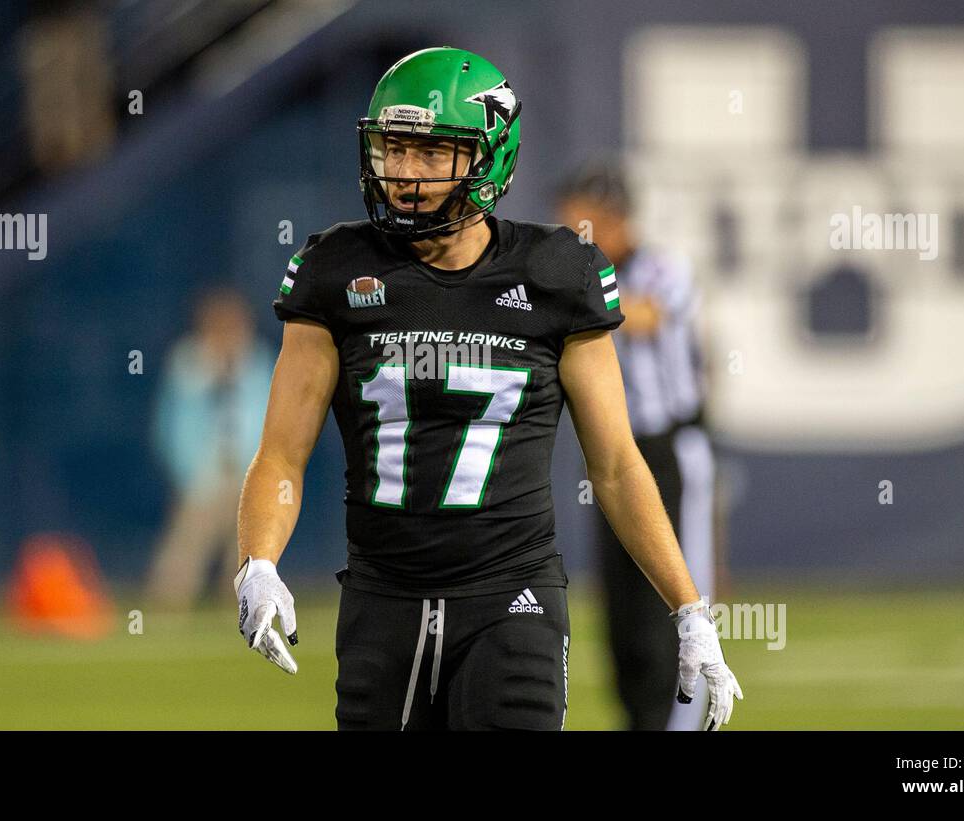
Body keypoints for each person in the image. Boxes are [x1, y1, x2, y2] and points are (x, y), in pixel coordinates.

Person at [233, 47, 741, 730]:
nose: (405, 172)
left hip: (514, 600)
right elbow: (281, 456)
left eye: (430, 151)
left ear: (487, 158)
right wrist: (258, 561)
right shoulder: (336, 270)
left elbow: (617, 464)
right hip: (383, 601)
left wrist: (688, 608)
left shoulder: (557, 272)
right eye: (393, 148)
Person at [555, 161, 717, 731]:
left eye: (587, 216)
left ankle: (682, 724)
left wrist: (560, 294)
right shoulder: (573, 277)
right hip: (610, 455)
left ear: (614, 218)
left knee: (677, 594)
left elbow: (643, 316)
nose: (573, 228)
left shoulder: (661, 269)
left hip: (668, 447)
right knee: (621, 608)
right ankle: (640, 721)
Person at [146, 288, 272, 609]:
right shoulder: (188, 362)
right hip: (204, 472)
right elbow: (170, 425)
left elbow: (271, 417)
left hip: (249, 470)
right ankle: (163, 617)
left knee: (248, 553)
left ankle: (244, 617)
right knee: (185, 551)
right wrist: (186, 471)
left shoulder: (257, 361)